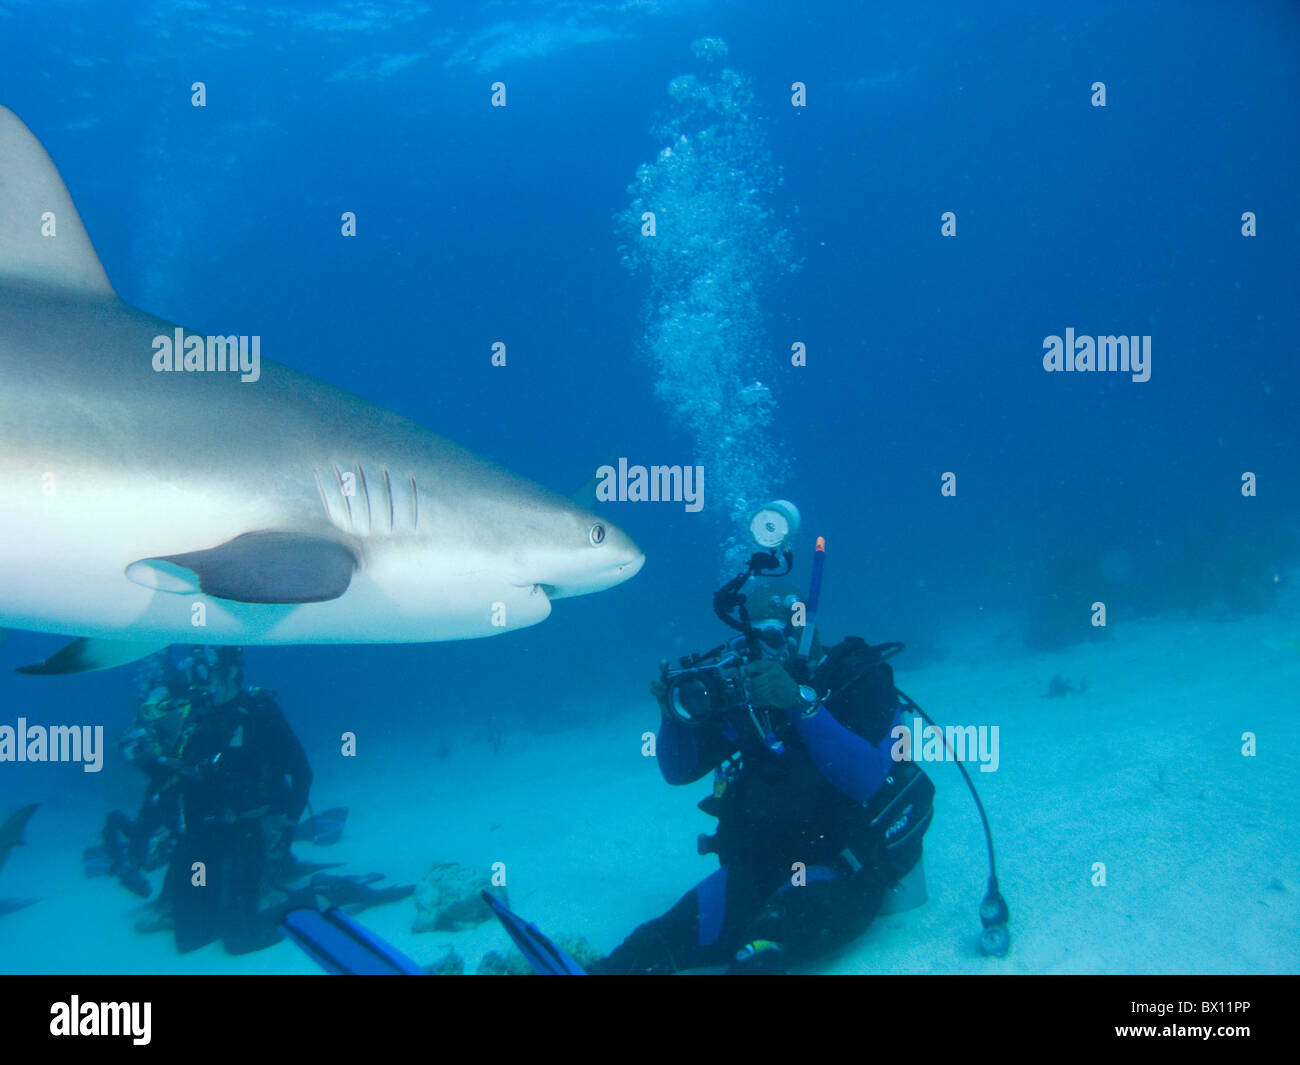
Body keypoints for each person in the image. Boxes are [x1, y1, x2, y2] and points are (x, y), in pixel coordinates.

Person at [589, 585, 935, 974]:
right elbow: (679, 771)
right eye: (749, 637)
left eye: (769, 635)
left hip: (844, 863)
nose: (759, 650)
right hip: (760, 865)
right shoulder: (749, 696)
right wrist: (674, 714)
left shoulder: (860, 679)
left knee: (763, 945)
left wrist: (800, 705)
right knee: (656, 942)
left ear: (804, 628)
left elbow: (866, 780)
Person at [100, 646, 314, 954]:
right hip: (210, 830)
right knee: (191, 936)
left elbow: (302, 773)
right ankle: (194, 898)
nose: (200, 681)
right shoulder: (199, 713)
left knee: (239, 939)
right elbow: (171, 777)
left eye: (208, 671)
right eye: (196, 672)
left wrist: (287, 829)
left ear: (229, 672)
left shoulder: (260, 713)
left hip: (253, 826)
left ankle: (301, 897)